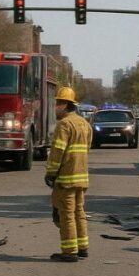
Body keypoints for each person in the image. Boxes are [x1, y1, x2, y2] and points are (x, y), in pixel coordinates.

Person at [45, 87, 92, 263]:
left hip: (66, 178)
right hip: (81, 177)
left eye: (58, 103)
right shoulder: (84, 124)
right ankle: (82, 247)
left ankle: (69, 251)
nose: (55, 107)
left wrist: (51, 173)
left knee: (67, 214)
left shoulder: (64, 125)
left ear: (65, 105)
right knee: (79, 212)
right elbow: (86, 150)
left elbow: (57, 151)